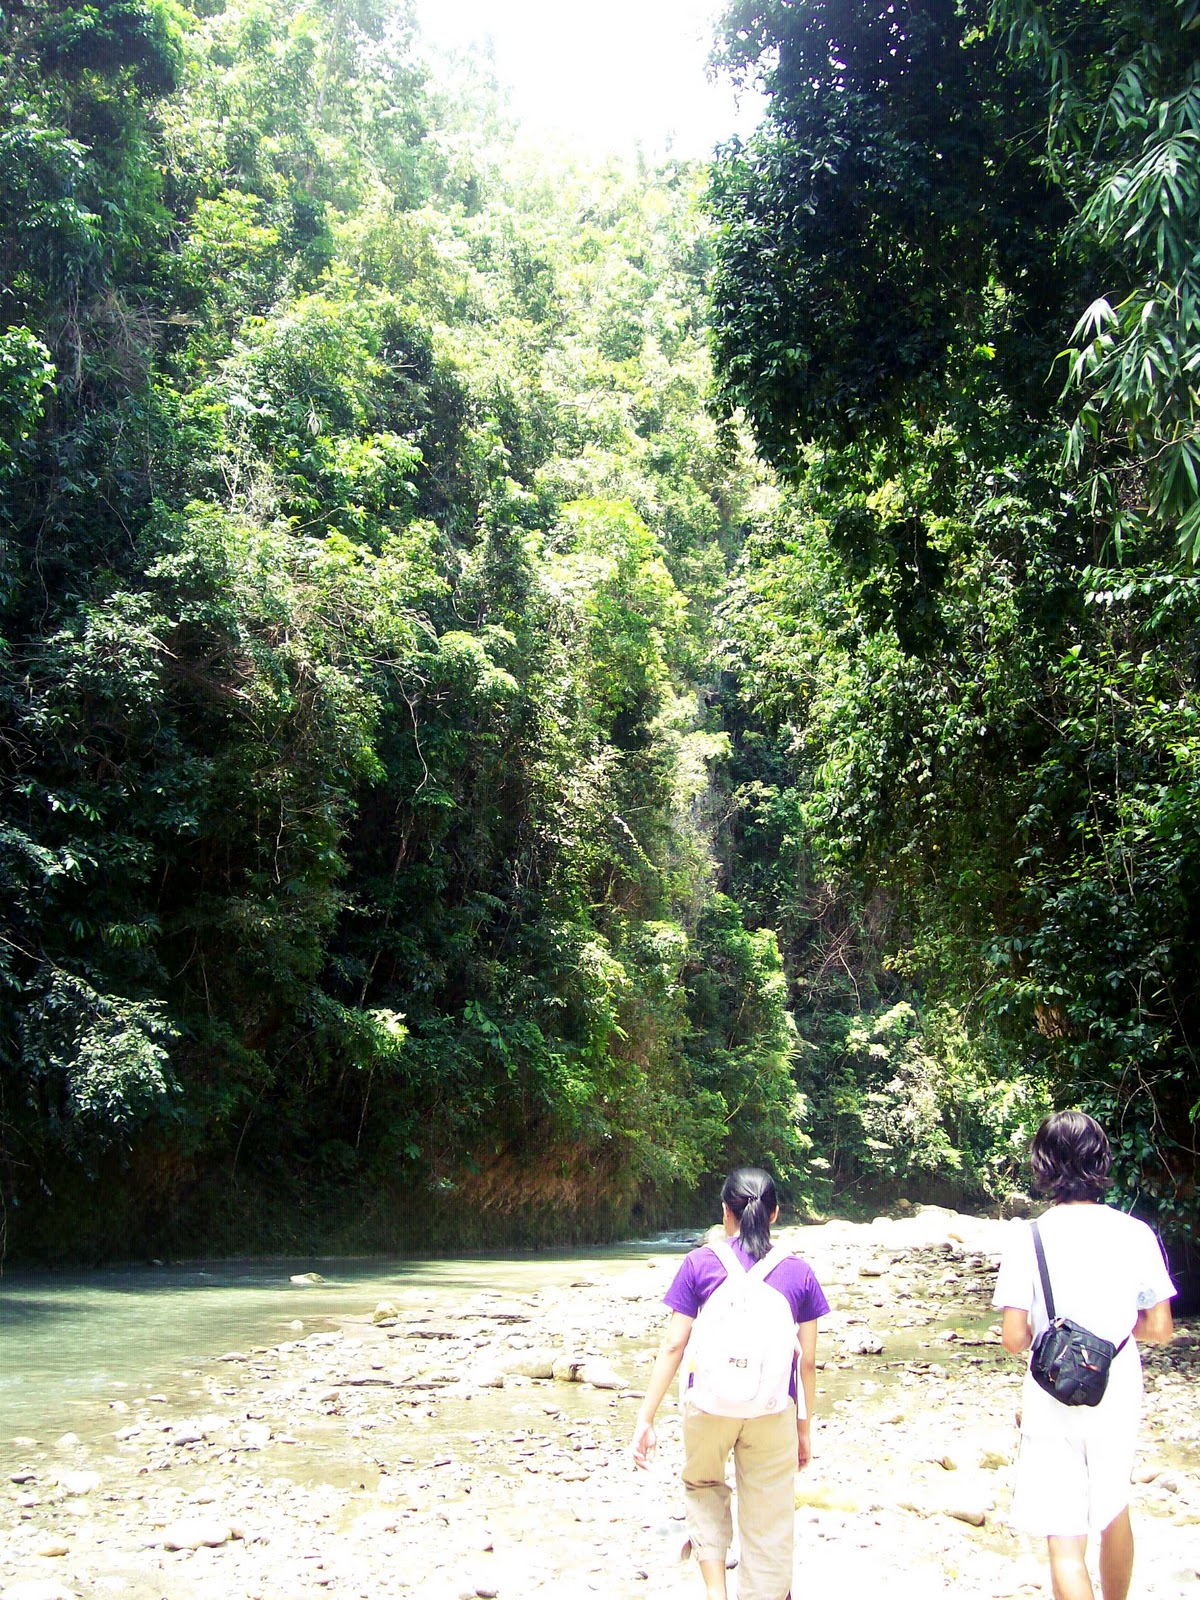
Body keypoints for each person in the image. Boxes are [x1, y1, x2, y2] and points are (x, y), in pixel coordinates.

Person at [993, 1110, 1176, 1600]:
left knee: (1064, 1534)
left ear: (1043, 1164)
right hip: (1117, 1385)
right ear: (1101, 1160)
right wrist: (1111, 1328)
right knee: (1114, 1505)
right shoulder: (1136, 1232)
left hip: (1052, 1388)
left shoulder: (1027, 1237)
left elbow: (1014, 1337)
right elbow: (1159, 1328)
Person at [630, 1167, 828, 1600]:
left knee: (703, 1486)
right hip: (772, 1409)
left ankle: (716, 1593)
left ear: (726, 1212)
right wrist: (803, 1426)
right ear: (774, 1214)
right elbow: (808, 1362)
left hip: (708, 1405)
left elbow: (673, 1345)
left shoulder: (700, 1262)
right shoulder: (799, 1273)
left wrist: (645, 1418)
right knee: (769, 1513)